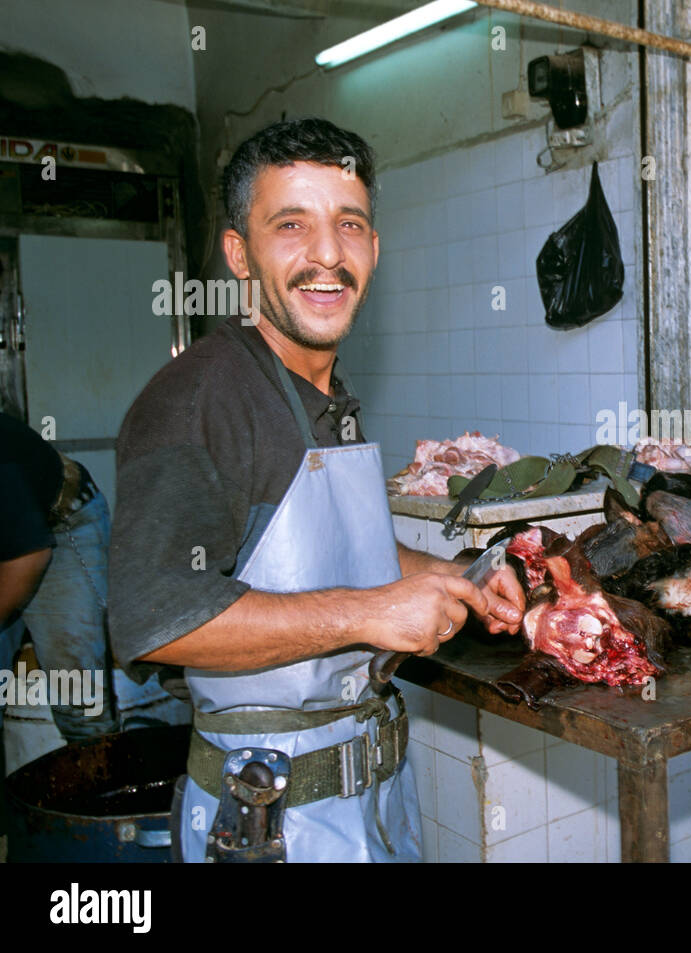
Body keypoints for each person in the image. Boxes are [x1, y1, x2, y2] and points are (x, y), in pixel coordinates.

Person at [108, 118, 524, 863]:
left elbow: (331, 548)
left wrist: (459, 579)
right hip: (268, 821)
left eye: (350, 225)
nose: (327, 254)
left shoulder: (319, 392)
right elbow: (156, 617)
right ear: (239, 253)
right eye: (291, 225)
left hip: (369, 798)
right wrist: (372, 612)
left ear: (374, 247)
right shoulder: (200, 397)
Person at [1, 411, 119, 741]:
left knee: (77, 696)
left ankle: (95, 777)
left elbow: (28, 557)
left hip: (62, 522)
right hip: (12, 540)